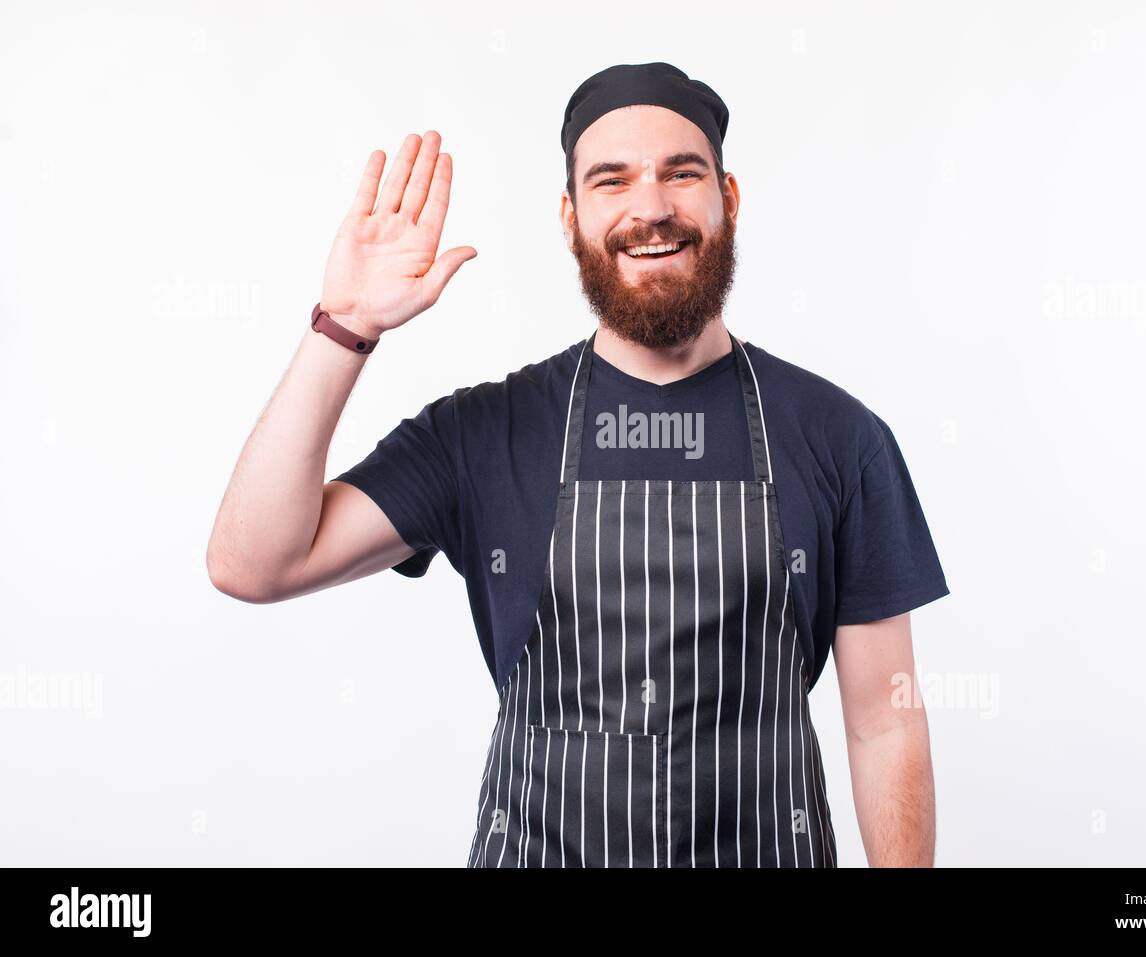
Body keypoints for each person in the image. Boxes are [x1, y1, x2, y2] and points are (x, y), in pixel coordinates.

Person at [207, 62, 950, 868]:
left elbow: (885, 718)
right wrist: (344, 325)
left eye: (682, 172)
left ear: (727, 200)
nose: (651, 206)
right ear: (570, 218)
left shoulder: (839, 436)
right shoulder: (482, 432)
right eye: (612, 180)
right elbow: (253, 562)